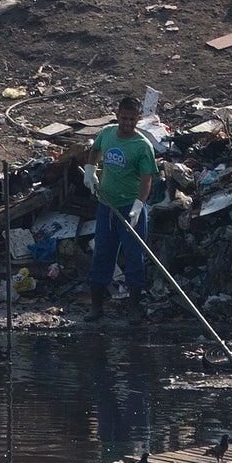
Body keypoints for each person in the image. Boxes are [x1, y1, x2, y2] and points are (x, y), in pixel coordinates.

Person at [82, 95, 157, 322]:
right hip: (107, 206)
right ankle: (96, 307)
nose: (127, 124)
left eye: (132, 120)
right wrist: (90, 169)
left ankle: (134, 307)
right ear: (117, 116)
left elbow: (146, 180)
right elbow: (95, 150)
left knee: (134, 256)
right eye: (124, 118)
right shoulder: (107, 134)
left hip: (131, 208)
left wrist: (138, 206)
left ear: (138, 118)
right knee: (102, 253)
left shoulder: (142, 146)